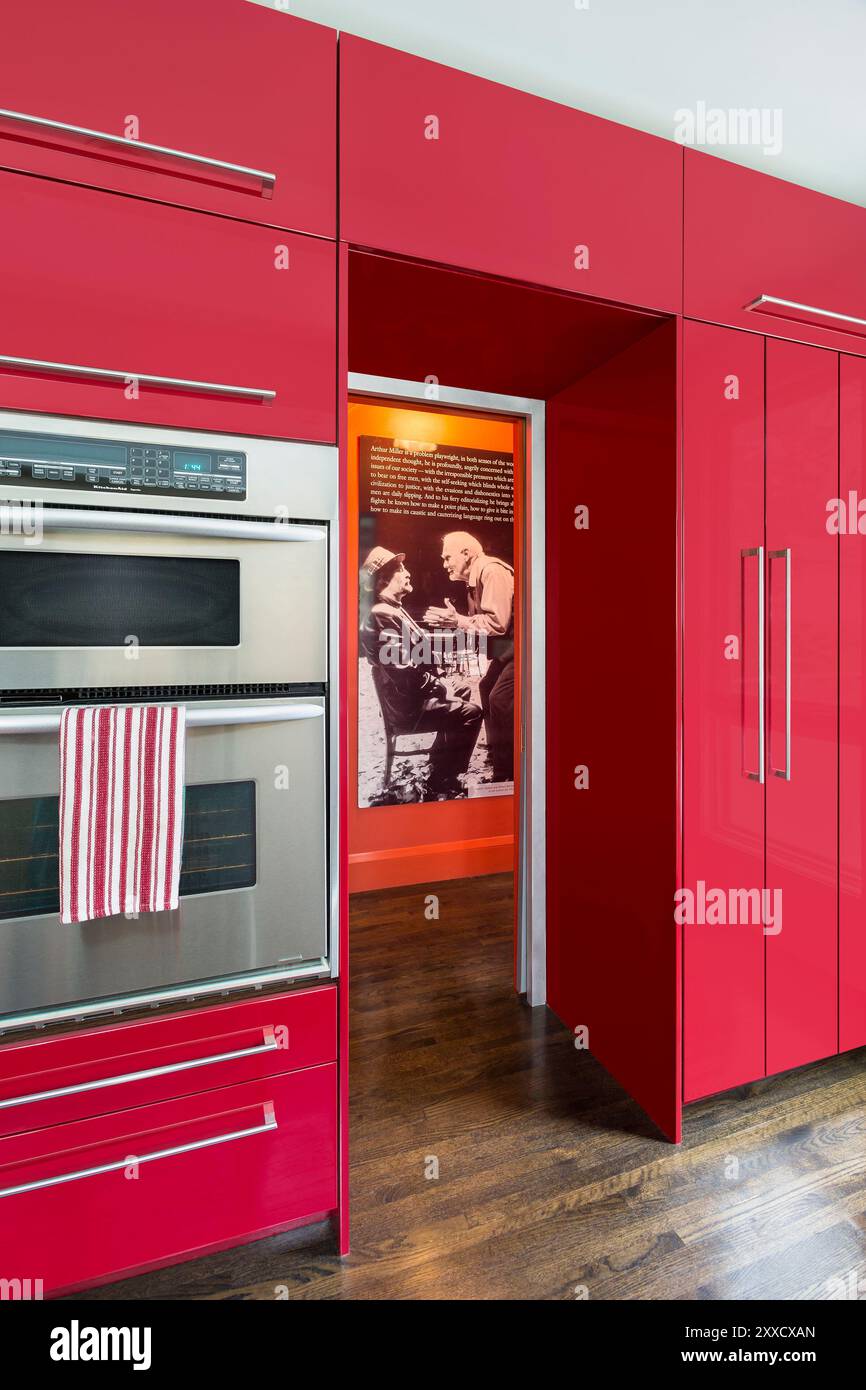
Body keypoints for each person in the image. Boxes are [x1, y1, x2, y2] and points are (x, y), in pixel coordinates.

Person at [360, 546, 482, 800]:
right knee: (471, 713)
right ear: (382, 580)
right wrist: (439, 686)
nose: (407, 573)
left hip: (411, 698)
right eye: (399, 569)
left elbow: (417, 647)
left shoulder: (393, 609)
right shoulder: (382, 614)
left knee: (463, 689)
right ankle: (442, 781)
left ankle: (439, 766)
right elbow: (403, 672)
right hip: (408, 708)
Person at [424, 531, 515, 783]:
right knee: (487, 687)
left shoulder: (491, 571)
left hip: (525, 648)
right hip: (509, 651)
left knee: (500, 699)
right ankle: (499, 755)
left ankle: (506, 772)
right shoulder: (475, 578)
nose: (444, 564)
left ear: (466, 553)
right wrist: (456, 623)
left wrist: (458, 621)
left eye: (447, 557)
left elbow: (497, 624)